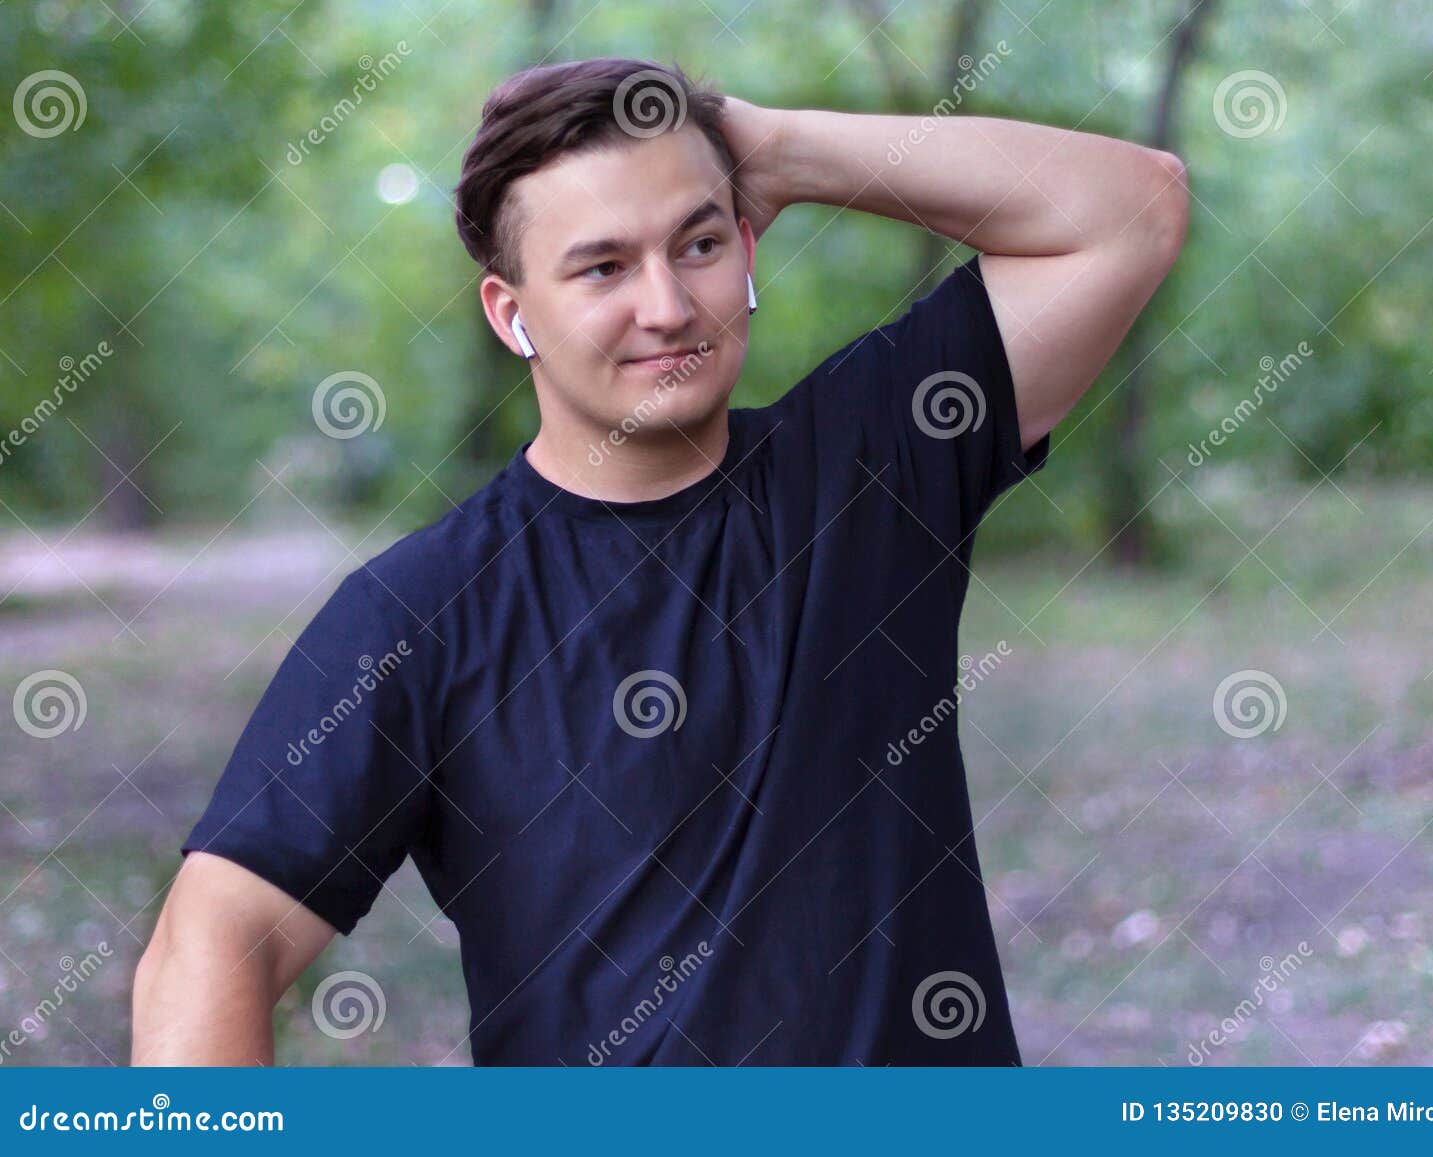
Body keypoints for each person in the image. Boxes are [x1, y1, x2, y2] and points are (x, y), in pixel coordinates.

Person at [131, 56, 1187, 1066]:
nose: (668, 307)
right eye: (602, 266)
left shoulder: (873, 461)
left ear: (747, 247)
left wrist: (776, 147)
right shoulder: (419, 614)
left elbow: (1131, 207)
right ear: (512, 315)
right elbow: (212, 944)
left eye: (696, 244)